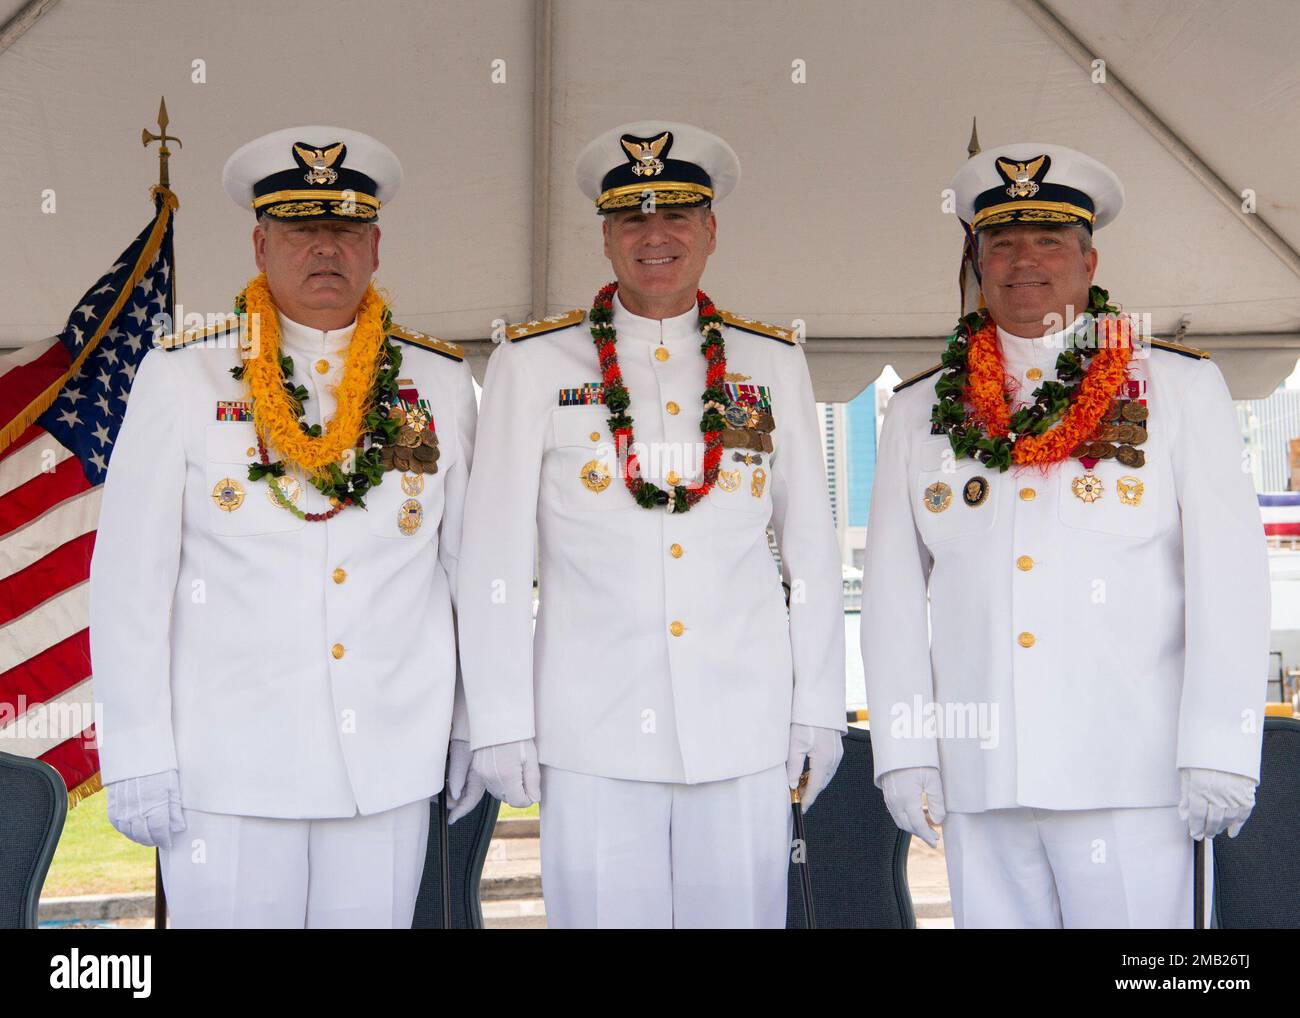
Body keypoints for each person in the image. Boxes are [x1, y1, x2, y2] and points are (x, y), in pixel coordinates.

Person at [861, 141, 1270, 928]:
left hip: (1136, 774)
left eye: (1048, 239)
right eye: (1001, 242)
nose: (1024, 261)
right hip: (984, 776)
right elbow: (890, 598)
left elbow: (1231, 580)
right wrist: (905, 750)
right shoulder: (919, 411)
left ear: (1089, 260)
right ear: (978, 262)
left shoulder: (1175, 388)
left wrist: (1222, 745)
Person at [89, 125, 483, 928]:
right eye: (303, 230)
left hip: (385, 762)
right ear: (261, 244)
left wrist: (473, 724)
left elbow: (469, 573)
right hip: (228, 770)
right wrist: (136, 752)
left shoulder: (439, 382)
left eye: (343, 230)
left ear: (375, 246)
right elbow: (130, 580)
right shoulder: (181, 376)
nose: (325, 250)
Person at [457, 121, 845, 928]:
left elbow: (809, 548)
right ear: (605, 236)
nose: (655, 236)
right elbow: (491, 556)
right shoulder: (532, 366)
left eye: (676, 215)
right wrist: (497, 720)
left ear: (710, 231)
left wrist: (818, 706)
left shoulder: (771, 362)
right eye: (633, 217)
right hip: (590, 733)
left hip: (742, 727)